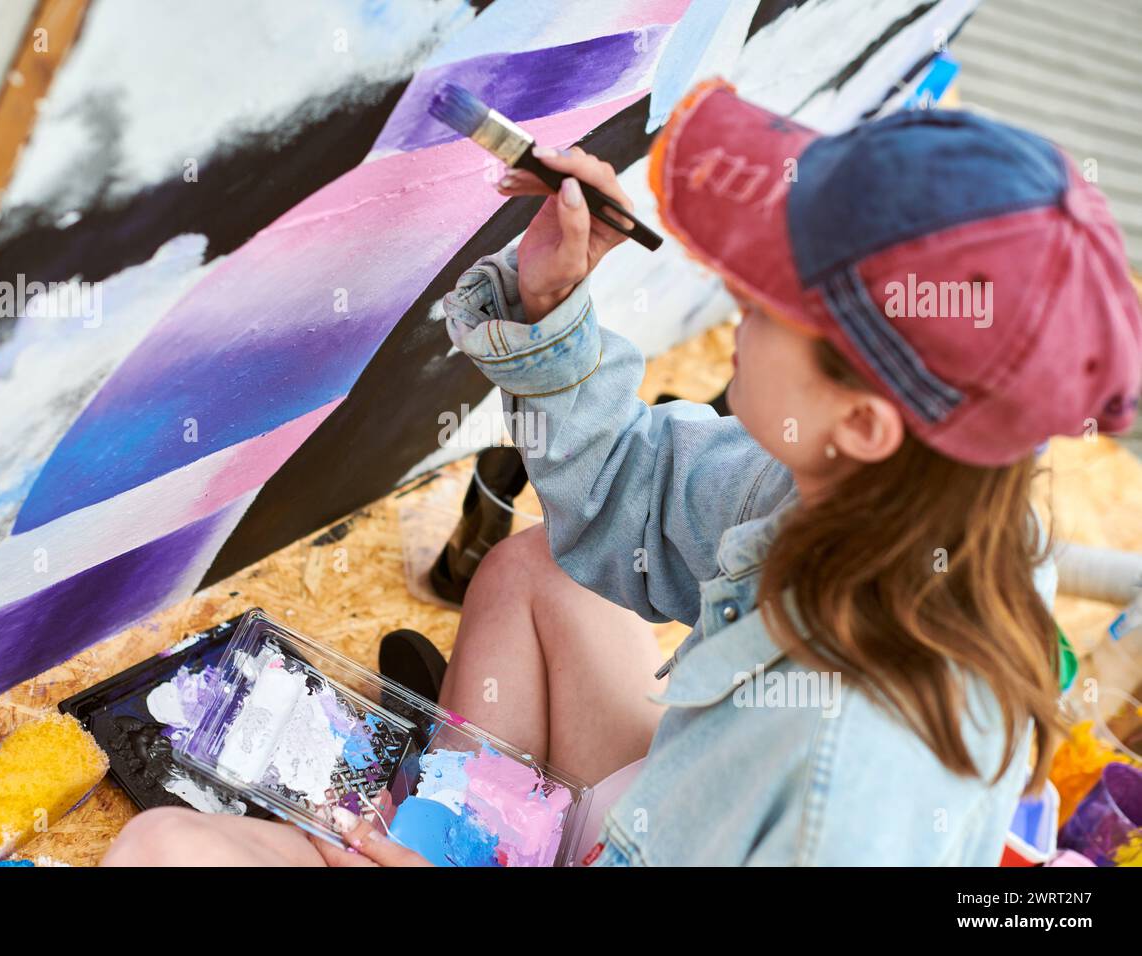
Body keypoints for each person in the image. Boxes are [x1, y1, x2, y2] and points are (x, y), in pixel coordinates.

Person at [102, 81, 1141, 867]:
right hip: (667, 820)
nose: (733, 304)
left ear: (863, 419)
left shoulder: (839, 767)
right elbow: (636, 499)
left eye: (767, 305)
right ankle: (461, 820)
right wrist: (553, 314)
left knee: (163, 851)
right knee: (539, 567)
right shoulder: (910, 500)